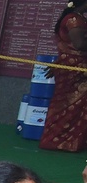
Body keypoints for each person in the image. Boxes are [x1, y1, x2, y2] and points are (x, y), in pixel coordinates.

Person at [42, 0, 87, 152]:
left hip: (71, 67)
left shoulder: (76, 17)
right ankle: (61, 141)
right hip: (77, 70)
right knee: (69, 105)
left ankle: (67, 140)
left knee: (69, 106)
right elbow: (80, 44)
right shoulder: (74, 19)